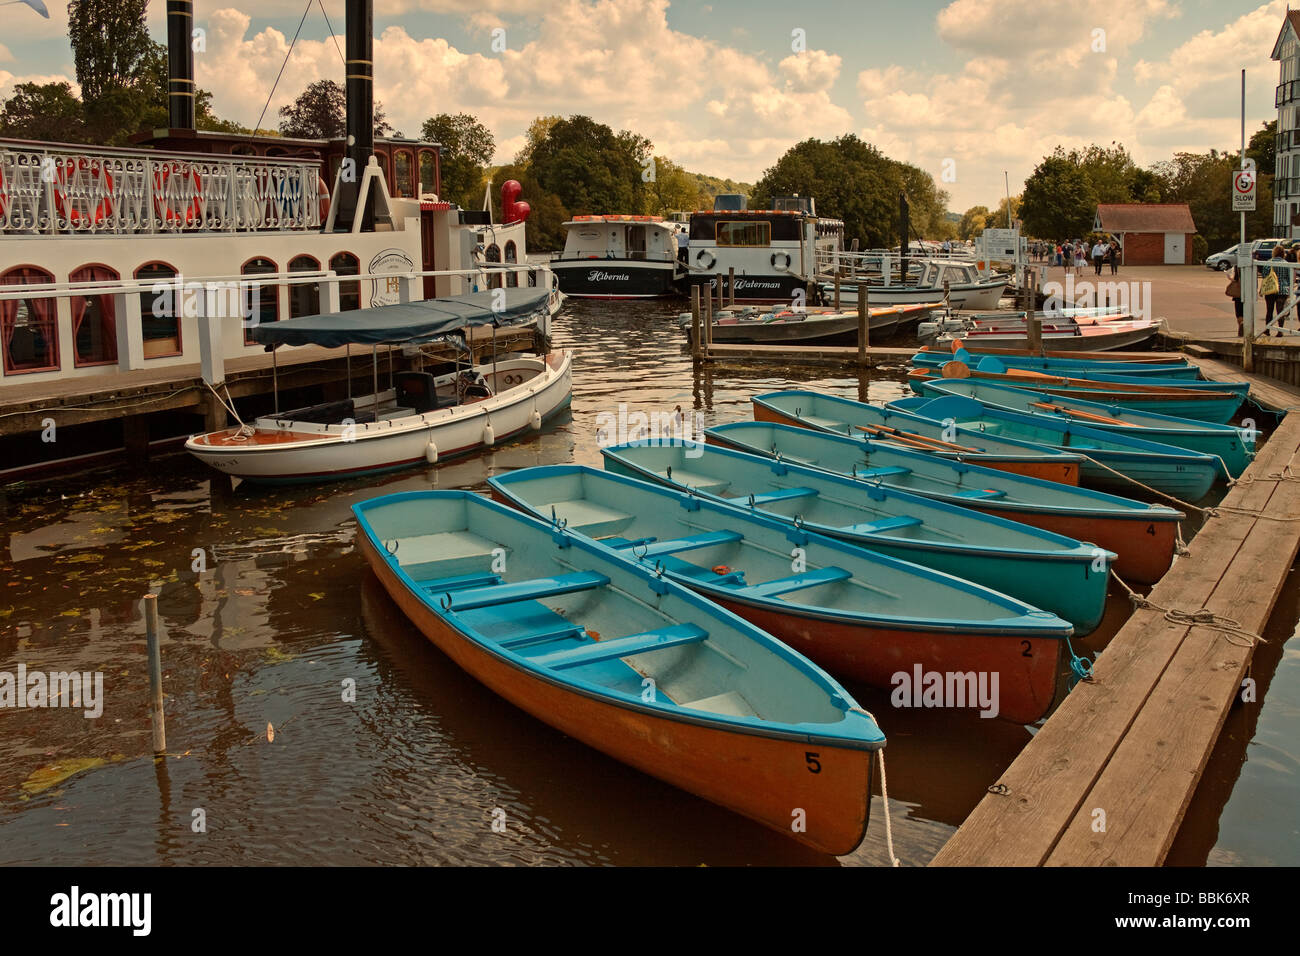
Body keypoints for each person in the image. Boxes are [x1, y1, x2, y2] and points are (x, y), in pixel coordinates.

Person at [1261, 245, 1287, 336]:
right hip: (1282, 290)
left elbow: (1264, 276)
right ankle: (1280, 331)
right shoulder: (1286, 263)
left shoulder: (1268, 263)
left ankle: (1267, 329)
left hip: (1270, 289)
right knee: (1280, 311)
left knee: (1269, 310)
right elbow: (1289, 277)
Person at [1227, 265, 1243, 337]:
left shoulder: (1237, 267)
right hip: (1249, 292)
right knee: (1247, 312)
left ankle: (1241, 324)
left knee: (1239, 312)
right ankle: (1245, 324)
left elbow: (1231, 276)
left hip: (1238, 293)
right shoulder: (1252, 266)